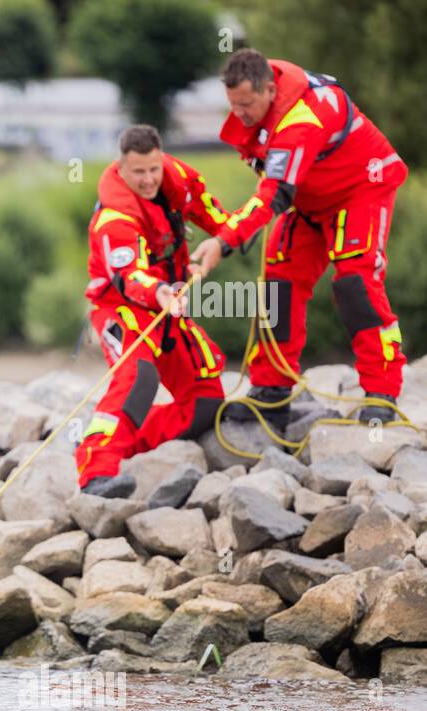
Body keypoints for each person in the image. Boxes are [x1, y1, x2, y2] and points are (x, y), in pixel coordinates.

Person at [190, 48, 408, 430]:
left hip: (361, 189)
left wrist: (222, 242)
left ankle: (382, 392)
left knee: (356, 283)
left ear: (270, 90)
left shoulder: (302, 121)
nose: (238, 114)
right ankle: (272, 391)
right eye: (233, 105)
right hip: (313, 197)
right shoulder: (261, 100)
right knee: (278, 282)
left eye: (246, 105)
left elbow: (273, 195)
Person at [75, 124, 231, 499]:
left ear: (162, 161)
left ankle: (126, 443)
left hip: (168, 305)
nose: (148, 180)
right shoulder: (115, 221)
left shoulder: (175, 179)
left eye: (154, 170)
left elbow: (213, 215)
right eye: (139, 173)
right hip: (123, 305)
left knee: (207, 402)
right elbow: (129, 276)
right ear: (121, 169)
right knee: (137, 377)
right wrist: (159, 291)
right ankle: (94, 471)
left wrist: (230, 237)